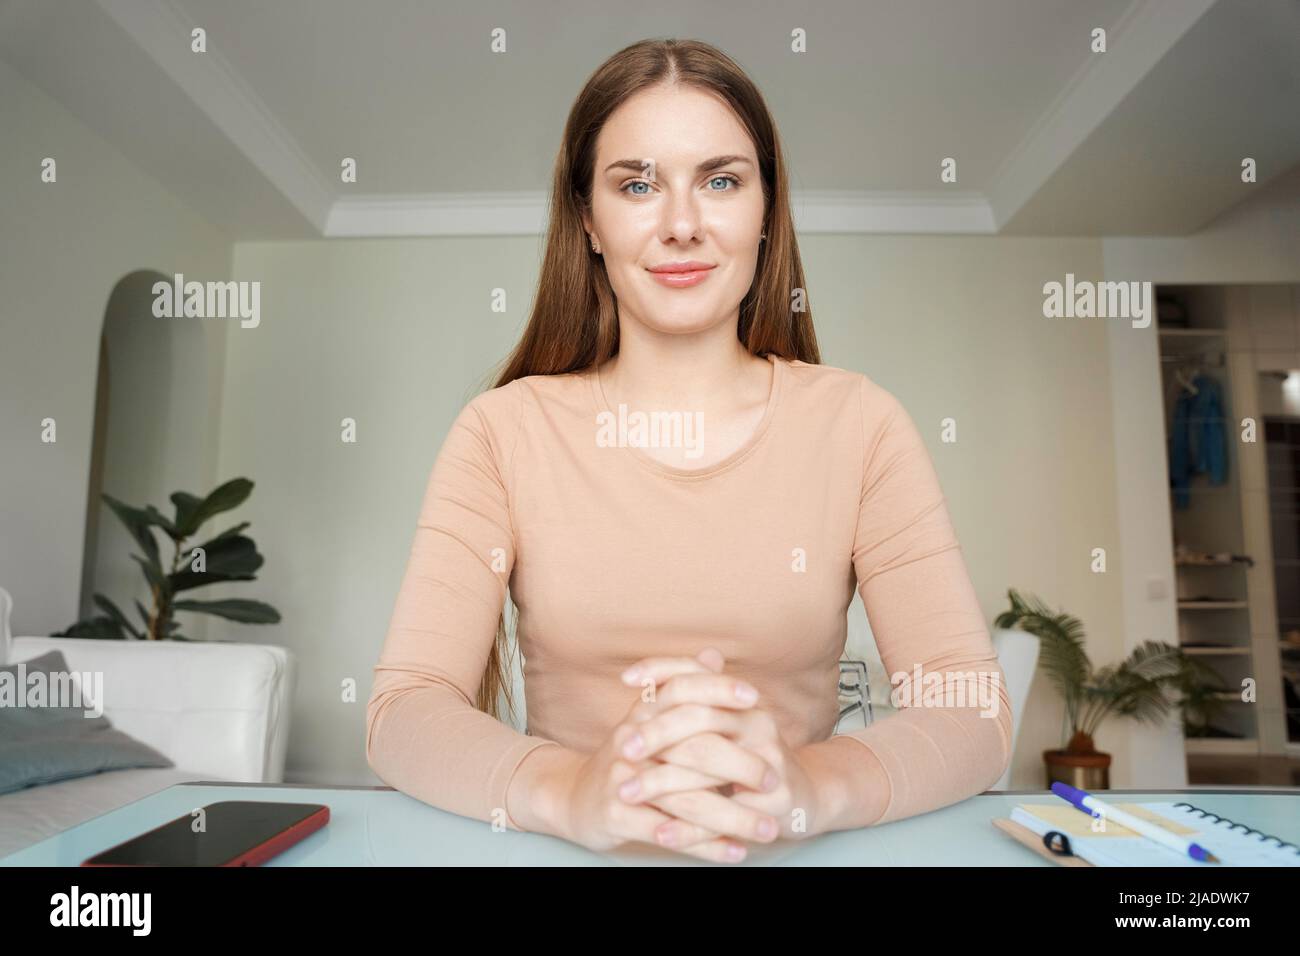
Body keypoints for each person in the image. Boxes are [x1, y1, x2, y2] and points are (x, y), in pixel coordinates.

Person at [366, 38, 1011, 864]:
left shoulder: (862, 424)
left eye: (720, 180)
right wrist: (572, 792)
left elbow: (973, 710)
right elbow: (405, 709)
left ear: (767, 212)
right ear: (590, 221)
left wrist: (811, 789)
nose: (680, 225)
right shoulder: (501, 431)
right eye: (637, 185)